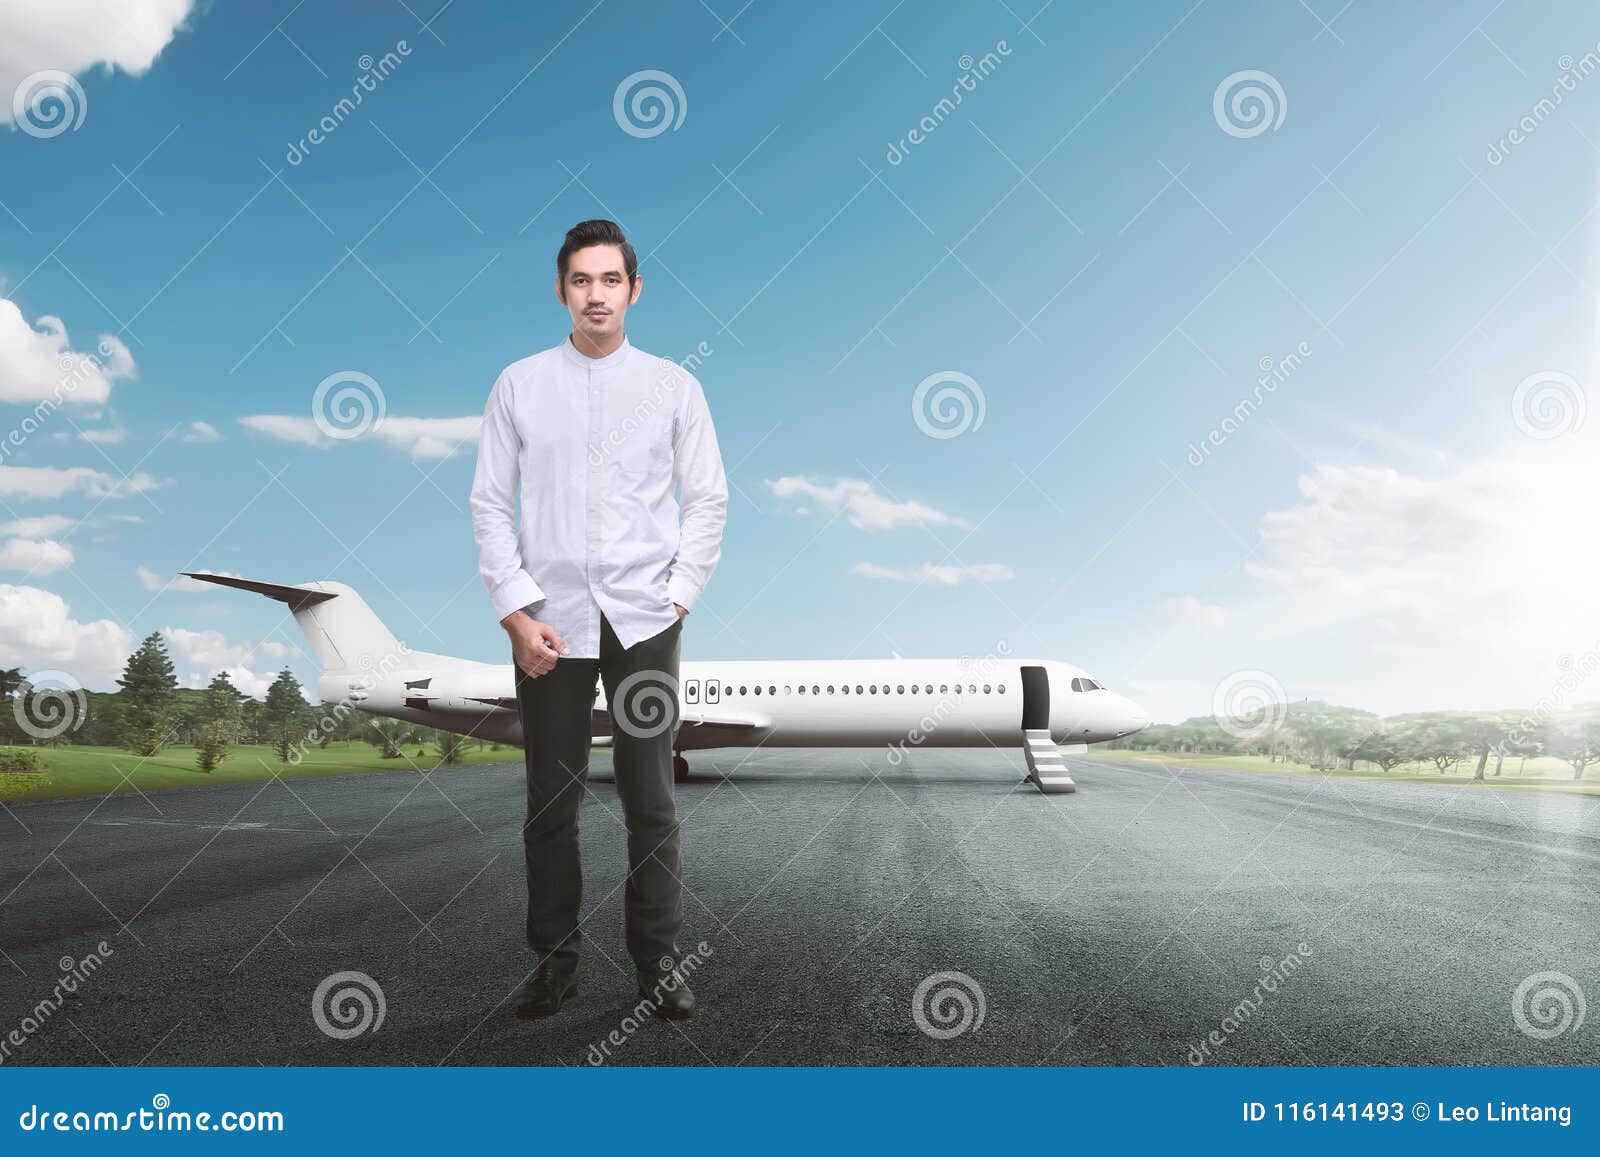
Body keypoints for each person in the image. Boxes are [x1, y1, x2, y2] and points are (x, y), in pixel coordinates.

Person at [469, 219, 728, 1020]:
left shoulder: (675, 387)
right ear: (561, 290)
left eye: (610, 279)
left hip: (645, 620)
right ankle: (555, 963)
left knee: (651, 798)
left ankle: (656, 963)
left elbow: (708, 498)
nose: (595, 294)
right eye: (581, 280)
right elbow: (489, 502)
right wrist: (514, 611)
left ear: (633, 289)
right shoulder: (518, 383)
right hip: (549, 624)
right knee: (551, 803)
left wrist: (677, 595)